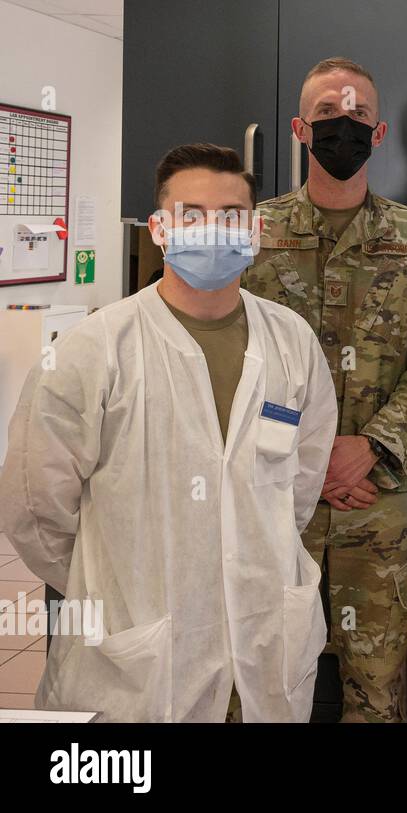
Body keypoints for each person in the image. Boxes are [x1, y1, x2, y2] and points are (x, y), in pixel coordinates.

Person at [0, 143, 336, 723]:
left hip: (264, 642)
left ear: (254, 229)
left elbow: (301, 483)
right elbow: (35, 509)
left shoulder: (291, 340)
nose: (213, 230)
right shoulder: (96, 348)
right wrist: (110, 577)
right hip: (139, 657)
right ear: (159, 228)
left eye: (231, 215)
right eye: (192, 214)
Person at [242, 57, 407, 723]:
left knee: (377, 694)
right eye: (329, 113)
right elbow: (232, 363)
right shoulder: (252, 233)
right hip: (275, 504)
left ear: (379, 132)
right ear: (302, 128)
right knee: (264, 686)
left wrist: (374, 447)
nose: (344, 124)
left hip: (378, 508)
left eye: (358, 114)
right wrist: (311, 457)